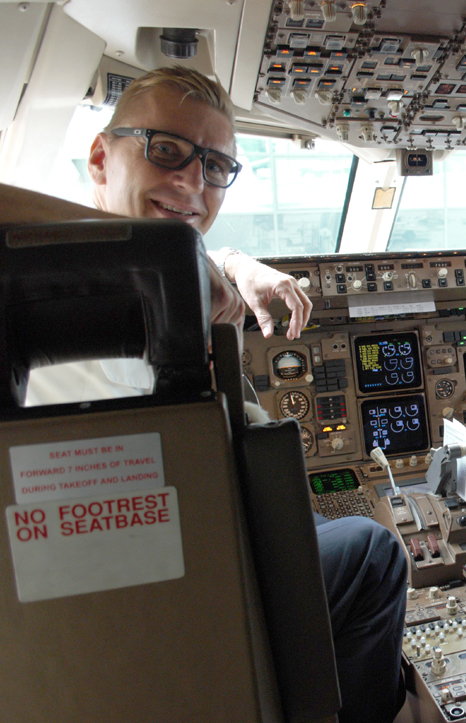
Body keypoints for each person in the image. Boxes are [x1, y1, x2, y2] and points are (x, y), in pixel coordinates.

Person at [0, 67, 407, 723]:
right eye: (166, 151)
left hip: (168, 551)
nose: (192, 181)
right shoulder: (31, 282)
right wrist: (198, 259)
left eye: (215, 166)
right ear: (101, 158)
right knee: (374, 553)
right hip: (137, 595)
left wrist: (226, 264)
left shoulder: (186, 299)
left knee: (333, 522)